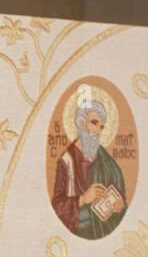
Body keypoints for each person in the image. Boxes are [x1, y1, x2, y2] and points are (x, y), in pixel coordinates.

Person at [50, 98, 127, 239]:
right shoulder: (66, 161)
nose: (97, 131)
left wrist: (119, 206)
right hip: (79, 230)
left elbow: (119, 196)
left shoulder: (106, 160)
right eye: (94, 123)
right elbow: (56, 208)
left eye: (101, 127)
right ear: (81, 122)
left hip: (104, 231)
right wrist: (83, 199)